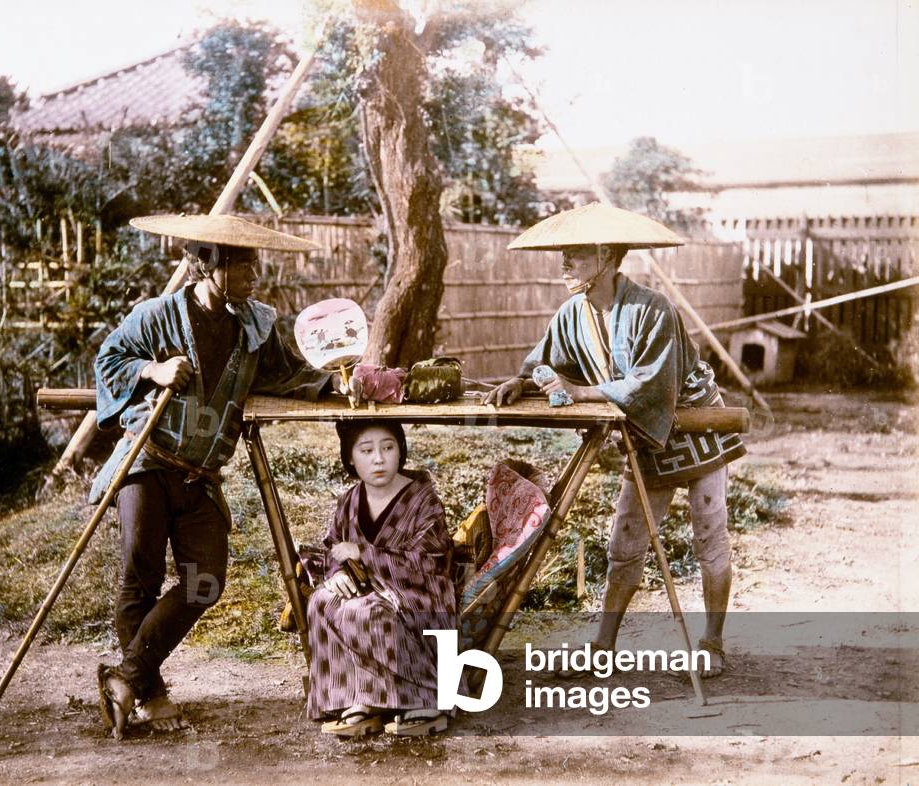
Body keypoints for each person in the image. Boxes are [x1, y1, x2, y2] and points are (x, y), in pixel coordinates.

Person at [91, 213, 358, 737]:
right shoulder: (157, 316)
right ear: (207, 264)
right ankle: (149, 694)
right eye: (243, 265)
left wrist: (334, 385)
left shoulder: (254, 326)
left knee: (206, 580)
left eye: (254, 264)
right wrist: (152, 370)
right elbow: (108, 360)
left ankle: (125, 679)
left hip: (200, 476)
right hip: (148, 462)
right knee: (141, 574)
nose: (254, 274)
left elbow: (286, 374)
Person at [483, 203, 746, 677]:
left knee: (709, 536)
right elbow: (548, 362)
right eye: (564, 255)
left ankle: (712, 642)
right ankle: (603, 645)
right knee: (625, 542)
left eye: (577, 255)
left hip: (693, 425)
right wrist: (521, 382)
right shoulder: (572, 314)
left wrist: (582, 391)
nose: (565, 263)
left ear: (606, 256)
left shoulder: (653, 308)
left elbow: (651, 385)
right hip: (642, 433)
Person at [306, 420, 456, 737]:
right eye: (366, 450)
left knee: (366, 610)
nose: (378, 459)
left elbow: (429, 562)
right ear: (350, 458)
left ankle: (426, 698)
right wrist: (336, 573)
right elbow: (332, 547)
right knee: (322, 601)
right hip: (367, 588)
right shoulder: (349, 500)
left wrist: (363, 553)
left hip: (417, 593)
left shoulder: (423, 500)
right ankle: (359, 697)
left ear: (400, 451)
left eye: (388, 447)